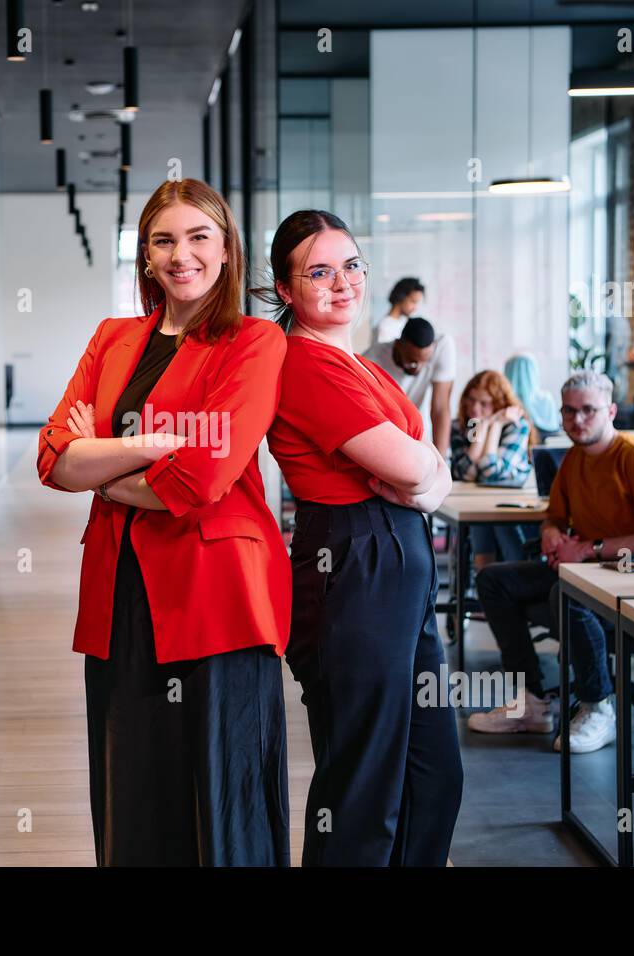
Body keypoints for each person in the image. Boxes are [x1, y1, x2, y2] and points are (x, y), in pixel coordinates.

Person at [37, 178, 291, 866]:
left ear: (227, 248)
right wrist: (145, 448)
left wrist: (101, 461)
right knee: (134, 784)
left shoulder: (253, 341)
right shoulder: (113, 337)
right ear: (145, 258)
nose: (182, 255)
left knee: (222, 793)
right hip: (121, 590)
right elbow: (53, 458)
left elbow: (204, 478)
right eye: (163, 240)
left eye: (199, 236)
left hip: (217, 593)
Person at [261, 210, 462, 866]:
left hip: (401, 561)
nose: (342, 281)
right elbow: (415, 467)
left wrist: (426, 480)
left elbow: (436, 473)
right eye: (319, 271)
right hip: (354, 564)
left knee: (434, 776)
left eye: (350, 265)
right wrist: (424, 477)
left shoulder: (367, 368)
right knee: (364, 785)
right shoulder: (301, 365)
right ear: (287, 290)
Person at [467, 370, 634, 754]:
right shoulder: (573, 459)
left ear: (612, 411)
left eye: (588, 410)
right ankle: (534, 703)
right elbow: (554, 516)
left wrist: (587, 549)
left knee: (566, 591)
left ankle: (597, 707)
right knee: (492, 580)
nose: (577, 420)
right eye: (569, 412)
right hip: (595, 570)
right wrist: (553, 534)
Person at [449, 370, 534, 567]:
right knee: (481, 519)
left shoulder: (516, 426)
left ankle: (508, 579)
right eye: (470, 400)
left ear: (498, 404)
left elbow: (491, 472)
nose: (474, 409)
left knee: (495, 521)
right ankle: (486, 582)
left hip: (513, 504)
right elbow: (464, 474)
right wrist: (484, 427)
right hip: (480, 503)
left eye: (484, 403)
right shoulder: (461, 426)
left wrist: (495, 427)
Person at [362, 316, 456, 456]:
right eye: (412, 362)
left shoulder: (442, 345)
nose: (418, 368)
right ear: (398, 345)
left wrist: (441, 460)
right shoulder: (372, 360)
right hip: (387, 437)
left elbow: (440, 408)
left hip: (421, 436)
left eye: (425, 362)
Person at [503, 353, 561, 439]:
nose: (476, 406)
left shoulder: (504, 402)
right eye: (474, 400)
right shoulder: (546, 398)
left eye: (483, 403)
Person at [374, 276, 425, 344]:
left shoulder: (405, 322)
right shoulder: (385, 328)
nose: (415, 308)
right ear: (401, 297)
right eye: (413, 302)